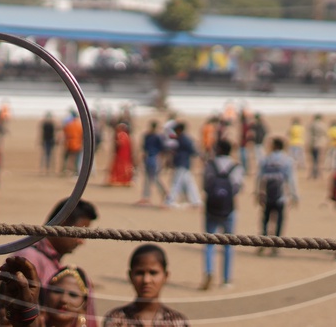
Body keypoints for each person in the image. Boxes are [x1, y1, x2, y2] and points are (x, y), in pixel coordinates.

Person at [0, 199, 100, 327]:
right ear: (63, 225)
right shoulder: (29, 259)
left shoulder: (51, 260)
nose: (82, 241)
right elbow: (7, 311)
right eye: (80, 234)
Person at [103, 244, 191, 327]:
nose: (146, 280)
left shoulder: (177, 322)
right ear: (130, 275)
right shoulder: (116, 319)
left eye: (153, 273)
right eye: (140, 273)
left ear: (165, 276)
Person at [0, 260, 95, 327]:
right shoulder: (38, 322)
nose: (63, 299)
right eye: (57, 291)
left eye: (73, 295)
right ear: (46, 294)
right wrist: (25, 306)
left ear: (85, 302)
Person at [200, 138, 243, 289]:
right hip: (229, 208)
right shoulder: (236, 166)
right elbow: (238, 187)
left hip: (211, 207)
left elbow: (205, 185)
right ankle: (226, 279)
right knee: (228, 244)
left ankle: (209, 270)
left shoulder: (210, 164)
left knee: (209, 242)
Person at [255, 136, 299, 252]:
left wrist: (258, 193)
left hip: (267, 195)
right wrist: (294, 195)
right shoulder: (287, 160)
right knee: (279, 220)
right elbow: (291, 179)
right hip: (281, 196)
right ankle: (276, 244)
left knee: (265, 219)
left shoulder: (266, 160)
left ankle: (263, 242)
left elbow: (259, 177)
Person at [165, 123, 200, 209]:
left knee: (176, 183)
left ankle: (170, 201)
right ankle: (196, 201)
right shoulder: (180, 139)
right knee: (189, 183)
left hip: (182, 164)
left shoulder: (184, 139)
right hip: (183, 164)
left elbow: (193, 150)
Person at [138, 121, 168, 206]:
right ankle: (146, 197)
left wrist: (161, 159)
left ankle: (163, 192)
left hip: (154, 158)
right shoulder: (148, 136)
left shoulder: (157, 137)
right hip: (148, 158)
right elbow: (144, 148)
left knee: (154, 177)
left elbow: (163, 149)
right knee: (147, 178)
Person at [109, 120, 135, 187]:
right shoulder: (126, 135)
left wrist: (116, 142)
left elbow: (121, 143)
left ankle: (119, 180)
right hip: (125, 154)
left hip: (121, 154)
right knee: (124, 166)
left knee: (120, 167)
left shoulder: (120, 134)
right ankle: (124, 180)